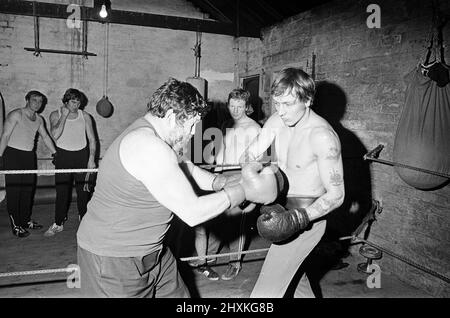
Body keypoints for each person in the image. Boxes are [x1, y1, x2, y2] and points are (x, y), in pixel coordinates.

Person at [76, 78, 281, 298]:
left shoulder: (161, 139)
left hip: (154, 254)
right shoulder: (147, 145)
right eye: (191, 124)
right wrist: (245, 190)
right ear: (173, 116)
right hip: (113, 258)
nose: (194, 132)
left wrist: (220, 182)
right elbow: (193, 212)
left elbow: (187, 168)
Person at [241, 68, 345, 298]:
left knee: (265, 293)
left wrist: (298, 219)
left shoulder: (322, 136)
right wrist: (261, 177)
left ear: (307, 99)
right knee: (296, 280)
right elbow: (249, 155)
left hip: (308, 218)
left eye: (288, 104)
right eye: (277, 103)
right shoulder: (276, 121)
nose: (281, 111)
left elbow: (337, 195)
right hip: (279, 208)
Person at [193, 88, 261, 281]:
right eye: (232, 106)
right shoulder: (225, 124)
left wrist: (250, 181)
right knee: (216, 216)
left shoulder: (255, 128)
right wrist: (213, 176)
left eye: (240, 106)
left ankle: (234, 262)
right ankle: (211, 256)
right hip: (222, 174)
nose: (236, 110)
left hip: (241, 176)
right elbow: (221, 152)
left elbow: (259, 159)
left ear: (247, 107)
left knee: (237, 222)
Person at [0, 90, 56, 237]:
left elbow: (45, 136)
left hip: (28, 156)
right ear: (27, 100)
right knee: (14, 192)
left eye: (40, 101)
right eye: (34, 100)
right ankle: (16, 225)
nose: (37, 103)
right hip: (12, 155)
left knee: (27, 190)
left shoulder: (39, 119)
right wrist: (0, 156)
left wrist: (56, 153)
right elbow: (5, 135)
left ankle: (25, 220)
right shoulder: (16, 114)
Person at [44, 88, 97, 237]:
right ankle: (58, 222)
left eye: (78, 101)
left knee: (83, 192)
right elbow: (55, 135)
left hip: (82, 155)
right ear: (66, 101)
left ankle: (84, 220)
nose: (76, 104)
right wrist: (64, 116)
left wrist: (91, 159)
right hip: (63, 156)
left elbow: (92, 139)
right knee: (62, 192)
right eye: (73, 101)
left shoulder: (85, 116)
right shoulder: (56, 114)